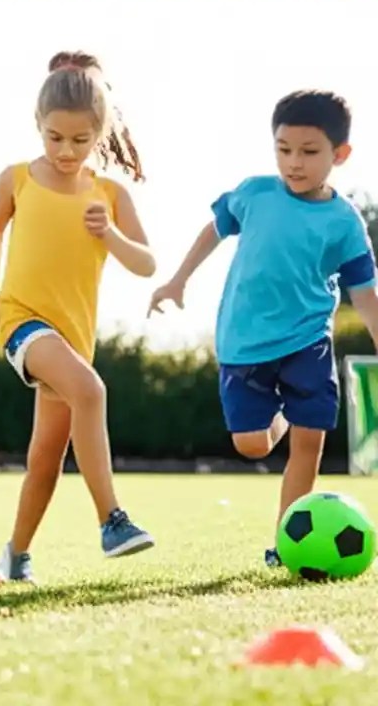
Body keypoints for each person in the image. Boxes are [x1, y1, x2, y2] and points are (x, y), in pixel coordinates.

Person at [149, 90, 378, 567]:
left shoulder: (343, 222)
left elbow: (364, 294)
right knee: (251, 444)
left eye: (309, 152)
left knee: (310, 437)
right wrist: (177, 279)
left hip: (308, 338)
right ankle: (280, 415)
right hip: (244, 342)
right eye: (284, 149)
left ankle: (285, 543)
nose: (294, 163)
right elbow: (213, 229)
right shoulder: (255, 193)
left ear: (340, 154)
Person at [0, 51, 156, 584]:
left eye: (79, 140)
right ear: (39, 125)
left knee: (46, 458)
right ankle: (112, 521)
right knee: (93, 393)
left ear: (99, 133)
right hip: (23, 323)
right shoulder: (17, 180)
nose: (65, 150)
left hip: (73, 341)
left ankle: (14, 557)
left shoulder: (109, 194)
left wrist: (111, 234)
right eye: (55, 137)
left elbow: (146, 263)